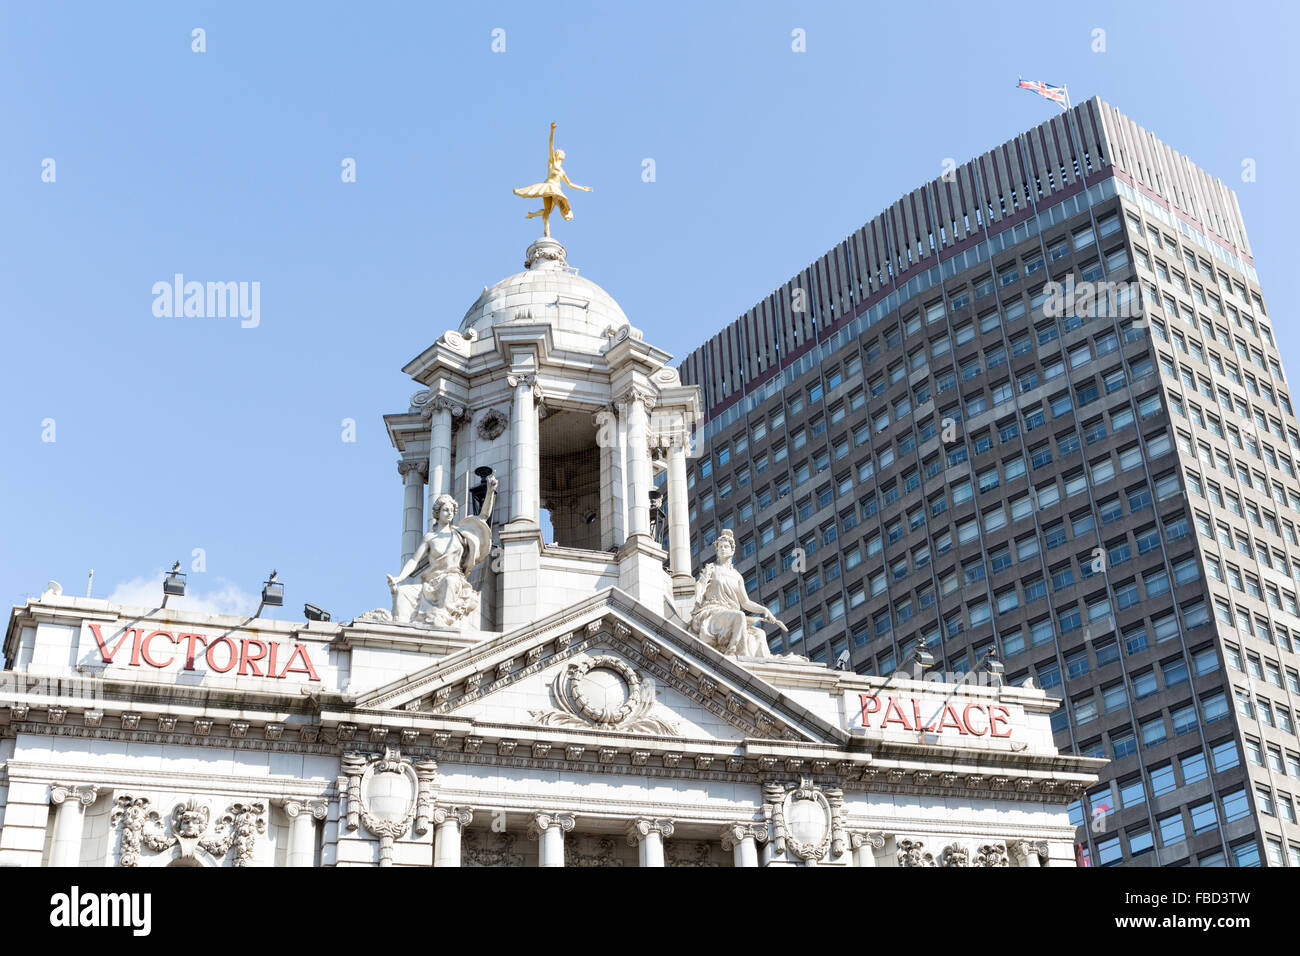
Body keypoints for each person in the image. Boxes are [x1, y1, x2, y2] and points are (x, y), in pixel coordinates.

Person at [387, 476, 497, 628]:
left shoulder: (459, 534)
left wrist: (490, 491)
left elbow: (483, 516)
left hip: (453, 579)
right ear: (438, 513)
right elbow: (414, 560)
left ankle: (442, 618)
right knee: (403, 593)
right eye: (446, 510)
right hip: (432, 583)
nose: (449, 513)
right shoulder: (430, 537)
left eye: (452, 510)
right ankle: (400, 631)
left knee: (450, 581)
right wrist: (399, 579)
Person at [690, 529, 783, 657]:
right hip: (713, 613)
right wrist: (698, 592)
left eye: (726, 546)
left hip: (731, 615)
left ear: (732, 550)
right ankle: (735, 652)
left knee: (759, 634)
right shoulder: (711, 569)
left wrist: (764, 610)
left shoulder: (737, 576)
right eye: (720, 547)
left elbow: (745, 602)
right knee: (739, 616)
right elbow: (700, 584)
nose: (722, 549)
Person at [513, 122, 592, 237]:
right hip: (550, 187)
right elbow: (550, 145)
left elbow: (569, 184)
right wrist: (552, 131)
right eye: (562, 153)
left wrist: (582, 188)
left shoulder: (562, 171)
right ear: (558, 154)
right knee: (553, 205)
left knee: (547, 211)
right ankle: (551, 225)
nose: (563, 155)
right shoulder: (552, 162)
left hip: (556, 189)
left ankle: (538, 220)